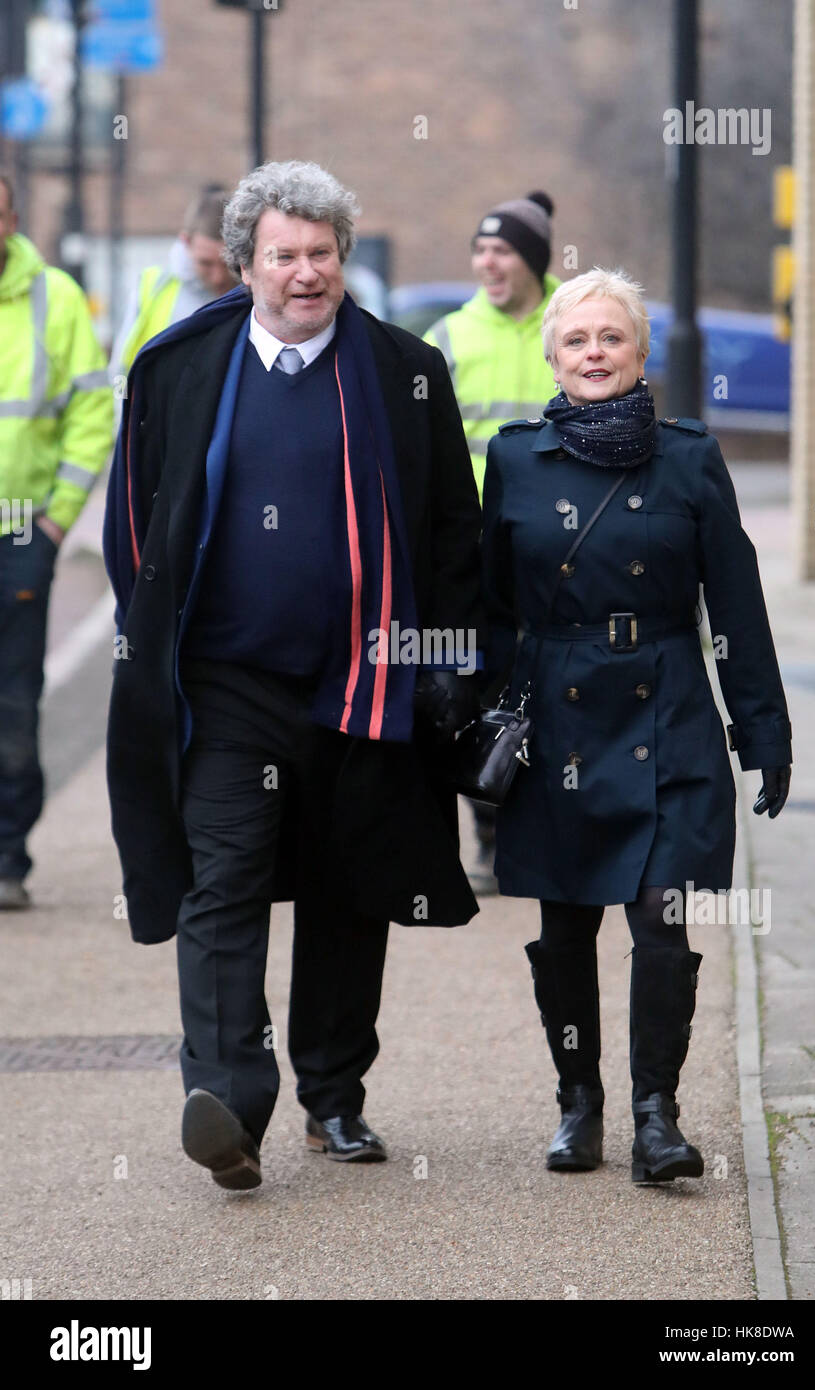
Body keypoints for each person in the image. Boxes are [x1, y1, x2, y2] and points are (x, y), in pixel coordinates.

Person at [103, 160, 482, 1190]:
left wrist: (448, 662)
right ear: (244, 262)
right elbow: (136, 524)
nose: (304, 273)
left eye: (322, 254)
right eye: (285, 255)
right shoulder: (181, 366)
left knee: (347, 888)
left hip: (364, 682)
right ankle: (227, 1097)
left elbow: (454, 532)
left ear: (342, 259)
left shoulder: (406, 371)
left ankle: (333, 1095)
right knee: (219, 884)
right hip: (226, 685)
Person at [482, 267, 791, 1184]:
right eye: (576, 341)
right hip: (559, 707)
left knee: (664, 920)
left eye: (610, 338)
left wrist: (763, 731)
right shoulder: (515, 458)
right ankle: (580, 1104)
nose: (594, 354)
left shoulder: (691, 457)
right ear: (552, 356)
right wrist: (473, 713)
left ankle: (658, 1113)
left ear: (641, 352)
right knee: (566, 925)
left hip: (670, 701)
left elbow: (736, 605)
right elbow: (494, 606)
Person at [426, 191, 560, 893]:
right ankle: (488, 834)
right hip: (477, 549)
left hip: (563, 545)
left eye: (502, 249)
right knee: (481, 685)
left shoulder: (573, 322)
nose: (488, 262)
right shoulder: (450, 336)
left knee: (552, 680)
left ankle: (548, 825)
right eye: (480, 250)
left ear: (533, 259)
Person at [0, 171, 113, 911]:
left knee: (11, 698)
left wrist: (54, 518)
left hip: (17, 524)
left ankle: (6, 853)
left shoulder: (54, 297)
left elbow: (91, 409)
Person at [109, 184, 238, 380]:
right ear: (186, 242)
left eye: (227, 263)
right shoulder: (151, 287)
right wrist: (124, 408)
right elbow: (122, 367)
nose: (218, 276)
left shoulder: (257, 292)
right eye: (206, 263)